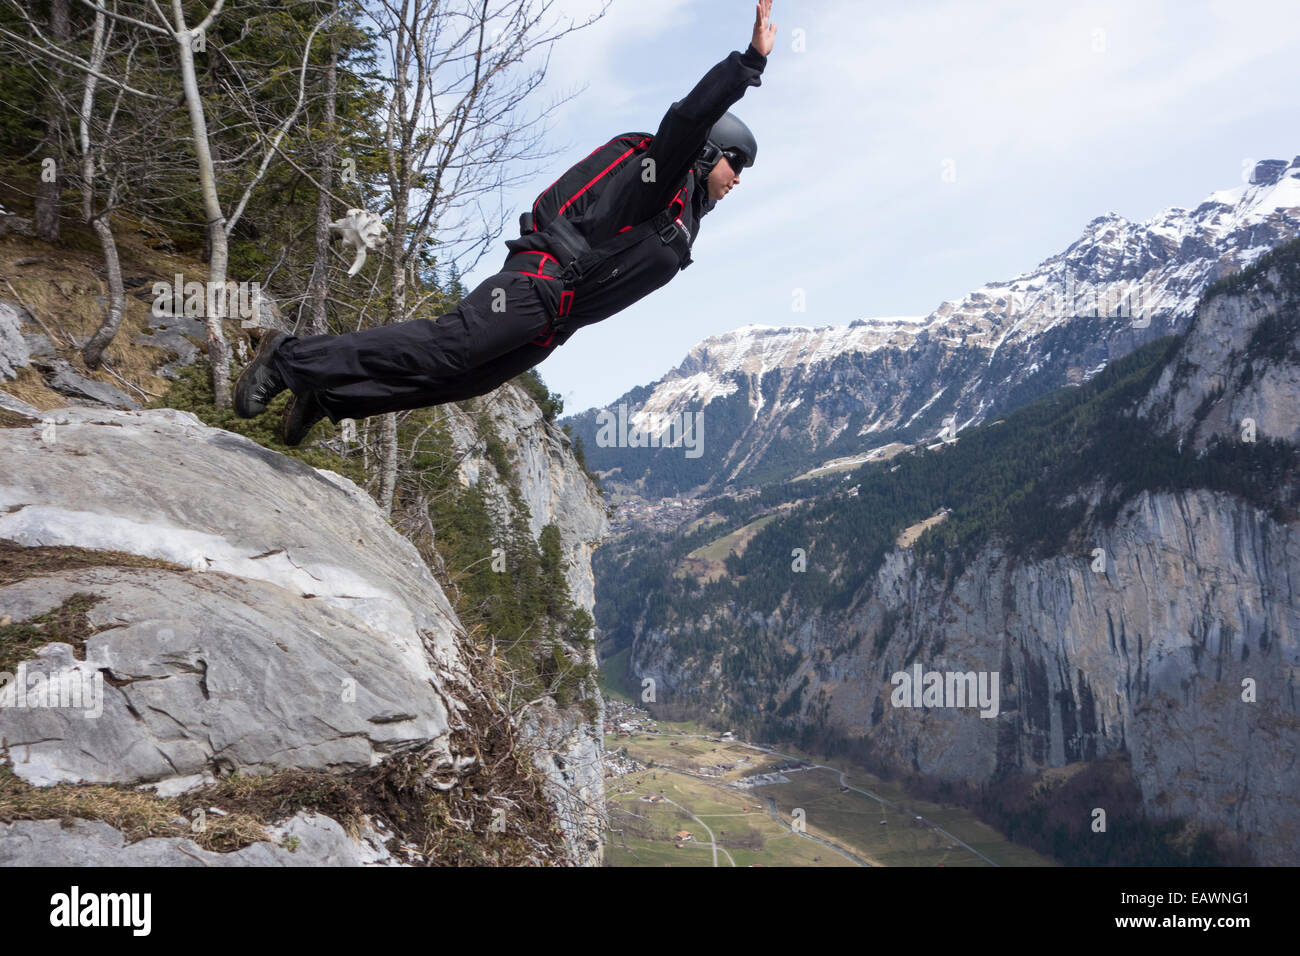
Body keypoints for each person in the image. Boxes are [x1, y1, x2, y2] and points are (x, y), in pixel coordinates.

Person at [235, 0, 778, 446]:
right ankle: (287, 357)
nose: (739, 179)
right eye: (737, 162)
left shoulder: (683, 221)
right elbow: (687, 117)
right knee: (446, 347)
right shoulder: (661, 177)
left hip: (554, 322)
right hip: (537, 286)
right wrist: (748, 64)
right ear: (708, 153)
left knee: (456, 378)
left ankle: (327, 393)